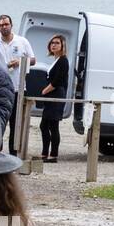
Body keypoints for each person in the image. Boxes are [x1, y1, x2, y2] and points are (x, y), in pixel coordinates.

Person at [0, 14, 36, 156]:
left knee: (16, 123)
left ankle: (14, 154)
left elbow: (33, 60)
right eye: (1, 25)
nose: (4, 27)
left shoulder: (21, 41)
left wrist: (20, 61)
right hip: (0, 89)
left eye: (6, 24)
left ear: (11, 25)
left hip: (18, 88)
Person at [38, 34, 69, 163]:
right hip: (51, 95)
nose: (54, 45)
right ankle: (45, 153)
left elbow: (58, 80)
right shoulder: (55, 60)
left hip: (56, 94)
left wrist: (45, 90)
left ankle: (53, 154)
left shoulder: (63, 60)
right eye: (52, 43)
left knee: (53, 125)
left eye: (57, 43)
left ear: (62, 46)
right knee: (44, 125)